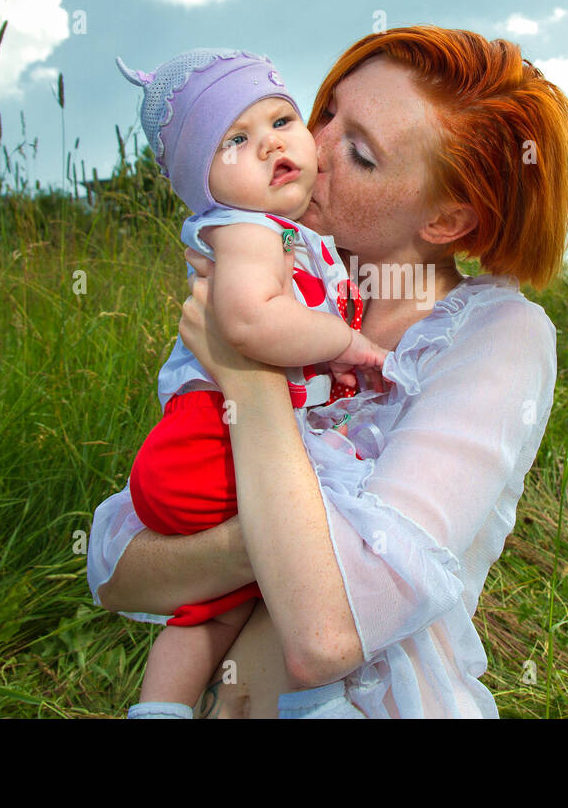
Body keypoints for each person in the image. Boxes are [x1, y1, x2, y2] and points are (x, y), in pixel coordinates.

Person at [89, 25, 568, 718]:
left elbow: (326, 633)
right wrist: (288, 547)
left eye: (359, 152)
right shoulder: (285, 281)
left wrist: (248, 372)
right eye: (321, 113)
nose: (307, 148)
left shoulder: (498, 339)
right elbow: (121, 571)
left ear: (446, 218)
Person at [110, 49, 390, 719]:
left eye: (281, 119)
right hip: (210, 438)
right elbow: (249, 321)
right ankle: (316, 698)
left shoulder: (279, 233)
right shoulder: (244, 232)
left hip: (216, 436)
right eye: (234, 140)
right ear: (200, 181)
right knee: (305, 541)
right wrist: (347, 343)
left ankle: (164, 708)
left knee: (217, 604)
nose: (269, 141)